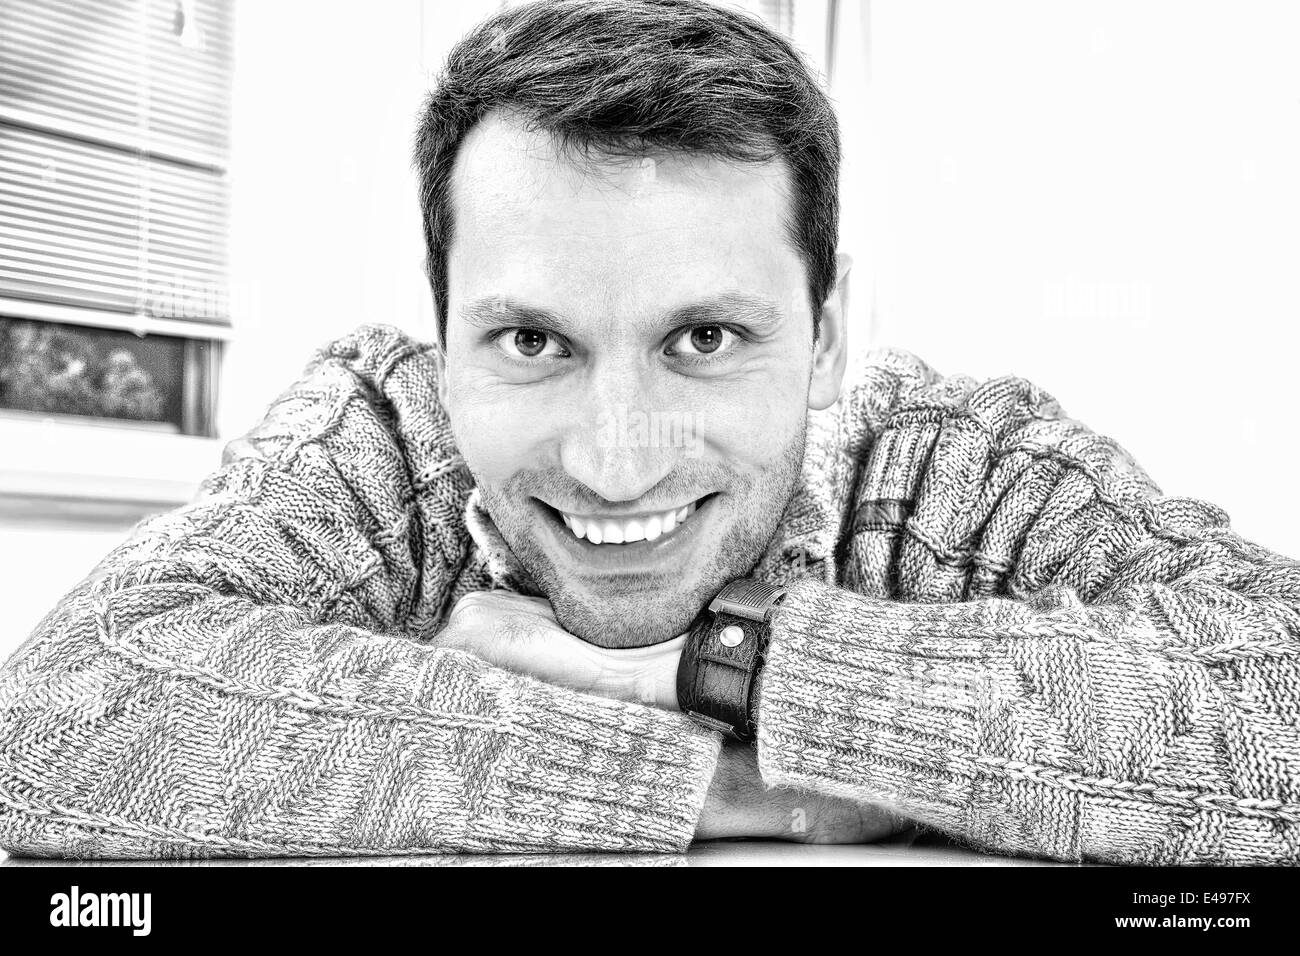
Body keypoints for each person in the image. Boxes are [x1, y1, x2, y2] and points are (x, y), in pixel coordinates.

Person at [1, 0, 1296, 864]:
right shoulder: (384, 440)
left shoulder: (954, 465)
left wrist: (694, 670)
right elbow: (66, 711)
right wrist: (727, 783)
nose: (617, 459)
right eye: (531, 343)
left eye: (707, 339)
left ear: (826, 337)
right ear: (442, 339)